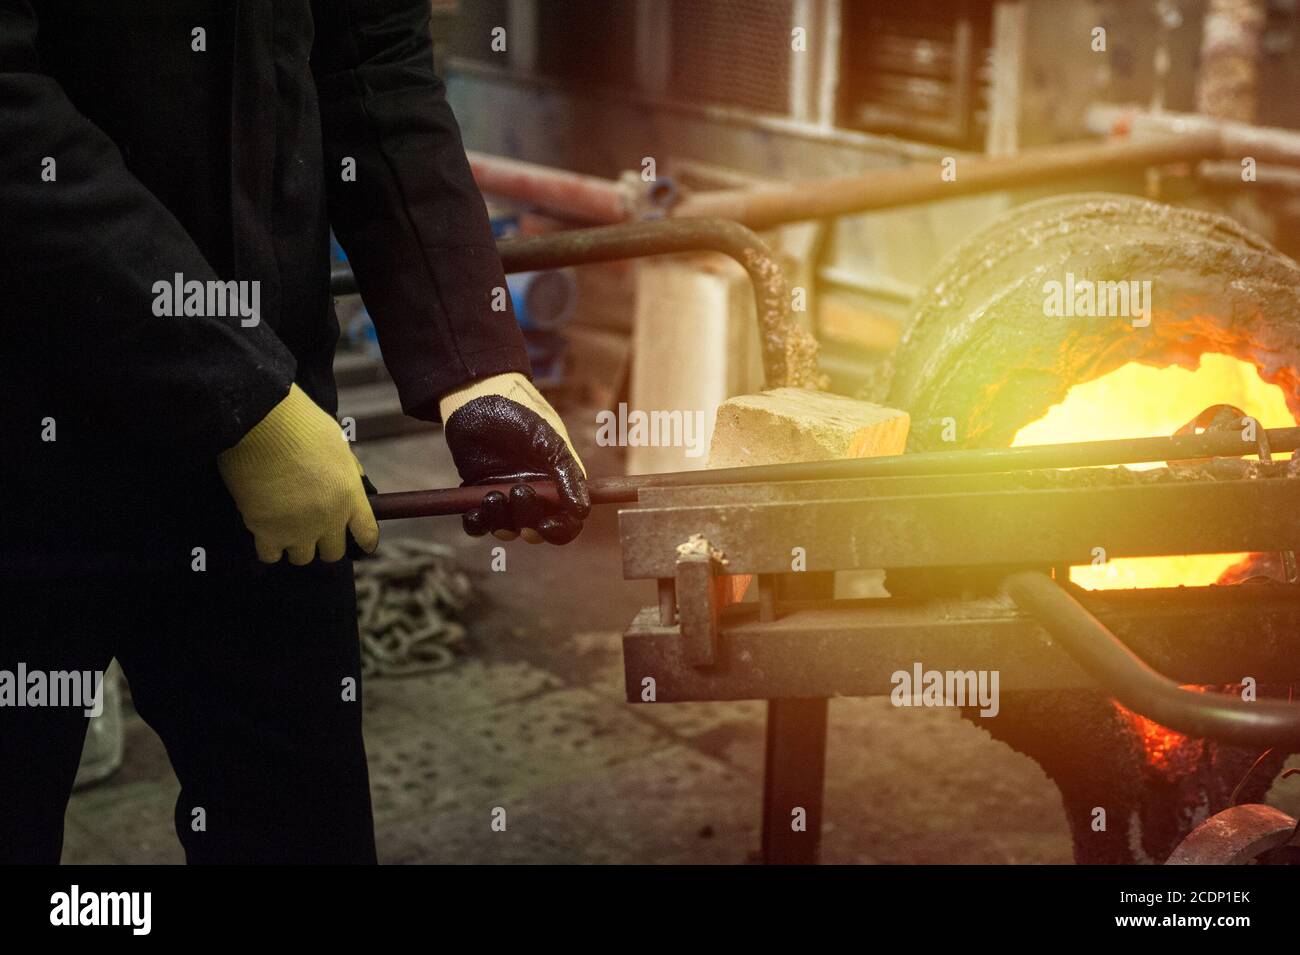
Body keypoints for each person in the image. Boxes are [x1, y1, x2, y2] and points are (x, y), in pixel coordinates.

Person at [0, 0, 588, 864]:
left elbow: (371, 59)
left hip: (265, 459)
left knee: (295, 831)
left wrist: (474, 362)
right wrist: (233, 394)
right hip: (32, 447)